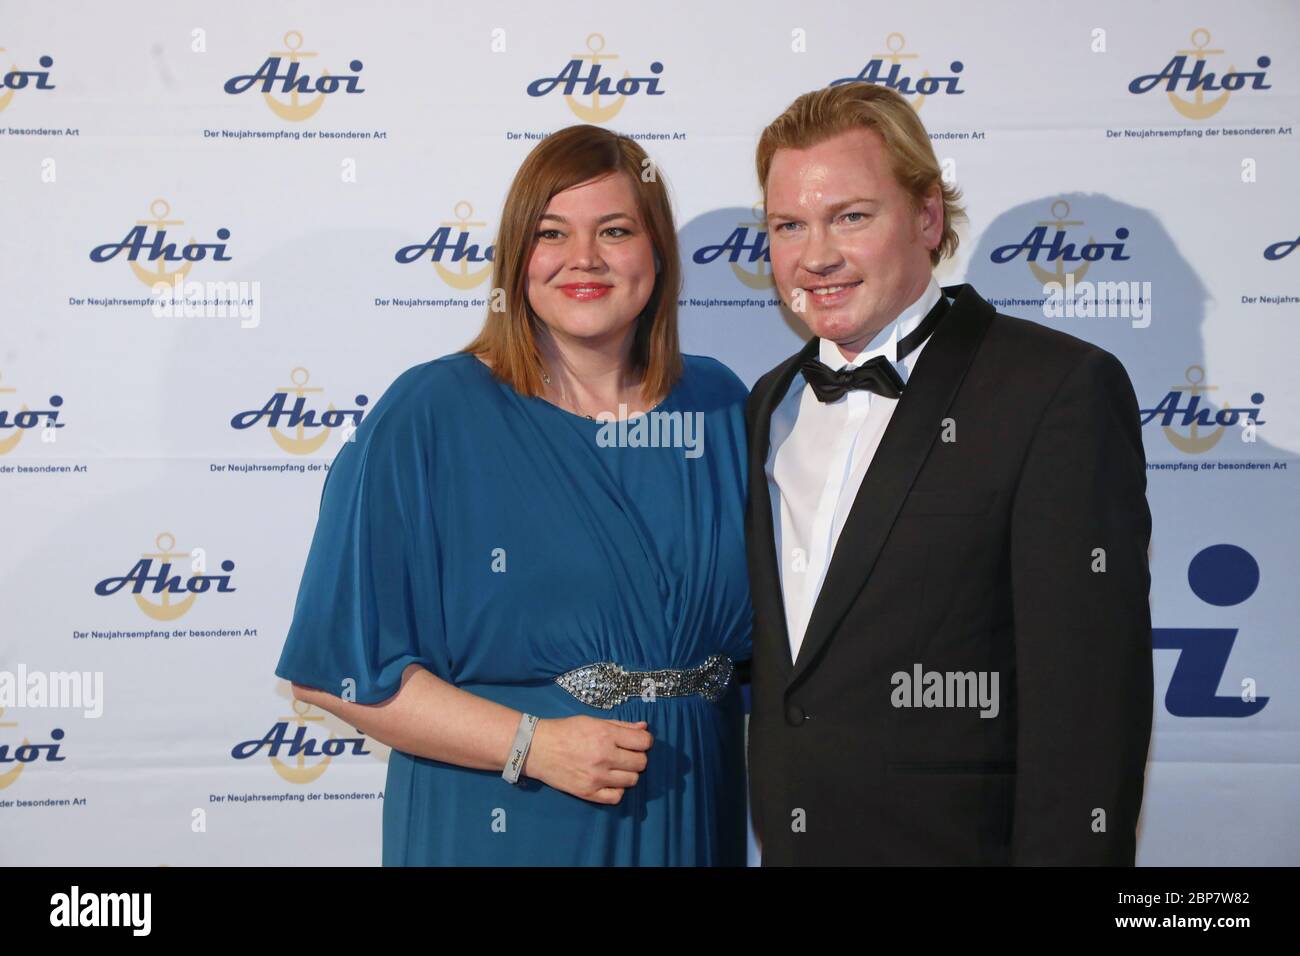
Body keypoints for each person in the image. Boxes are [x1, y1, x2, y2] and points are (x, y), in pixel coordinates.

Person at [275, 125, 752, 865]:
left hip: (692, 815)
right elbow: (335, 671)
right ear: (515, 257)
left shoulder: (720, 405)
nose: (584, 259)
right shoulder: (431, 413)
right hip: (509, 820)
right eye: (551, 232)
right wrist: (532, 745)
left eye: (616, 230)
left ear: (656, 252)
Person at [744, 82, 1154, 865]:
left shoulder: (1054, 390)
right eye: (788, 225)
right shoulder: (769, 405)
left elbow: (1089, 707)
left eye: (851, 217)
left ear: (927, 217)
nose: (816, 255)